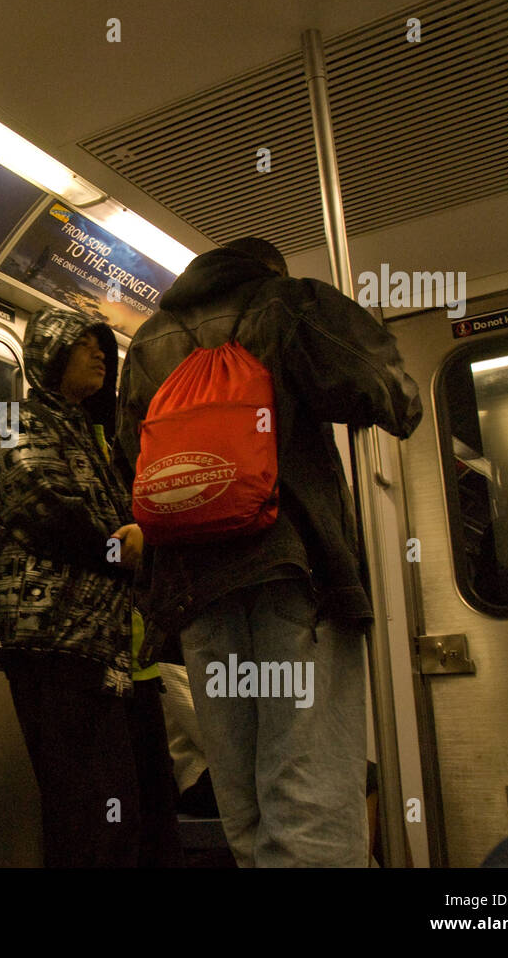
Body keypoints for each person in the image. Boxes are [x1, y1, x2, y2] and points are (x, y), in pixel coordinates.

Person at [116, 238, 422, 867]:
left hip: (194, 594)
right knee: (308, 795)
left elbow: (134, 458)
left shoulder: (148, 342)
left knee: (246, 804)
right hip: (294, 574)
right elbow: (388, 392)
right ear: (270, 269)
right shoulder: (288, 305)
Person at [0, 305, 182, 867]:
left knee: (138, 810)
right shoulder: (18, 422)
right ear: (49, 354)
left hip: (105, 642)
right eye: (83, 343)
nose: (100, 353)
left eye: (103, 344)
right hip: (55, 639)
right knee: (91, 811)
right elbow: (41, 508)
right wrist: (126, 550)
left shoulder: (89, 435)